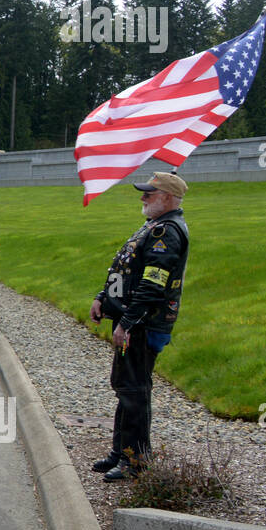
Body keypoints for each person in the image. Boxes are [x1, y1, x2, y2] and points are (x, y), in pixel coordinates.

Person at [88, 171, 189, 482]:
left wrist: (128, 323)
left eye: (150, 194)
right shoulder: (153, 227)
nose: (143, 198)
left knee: (135, 391)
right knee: (124, 388)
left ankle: (136, 461)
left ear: (169, 199)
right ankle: (120, 452)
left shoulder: (166, 232)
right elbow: (125, 268)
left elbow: (151, 285)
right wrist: (102, 298)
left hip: (143, 325)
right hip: (131, 321)